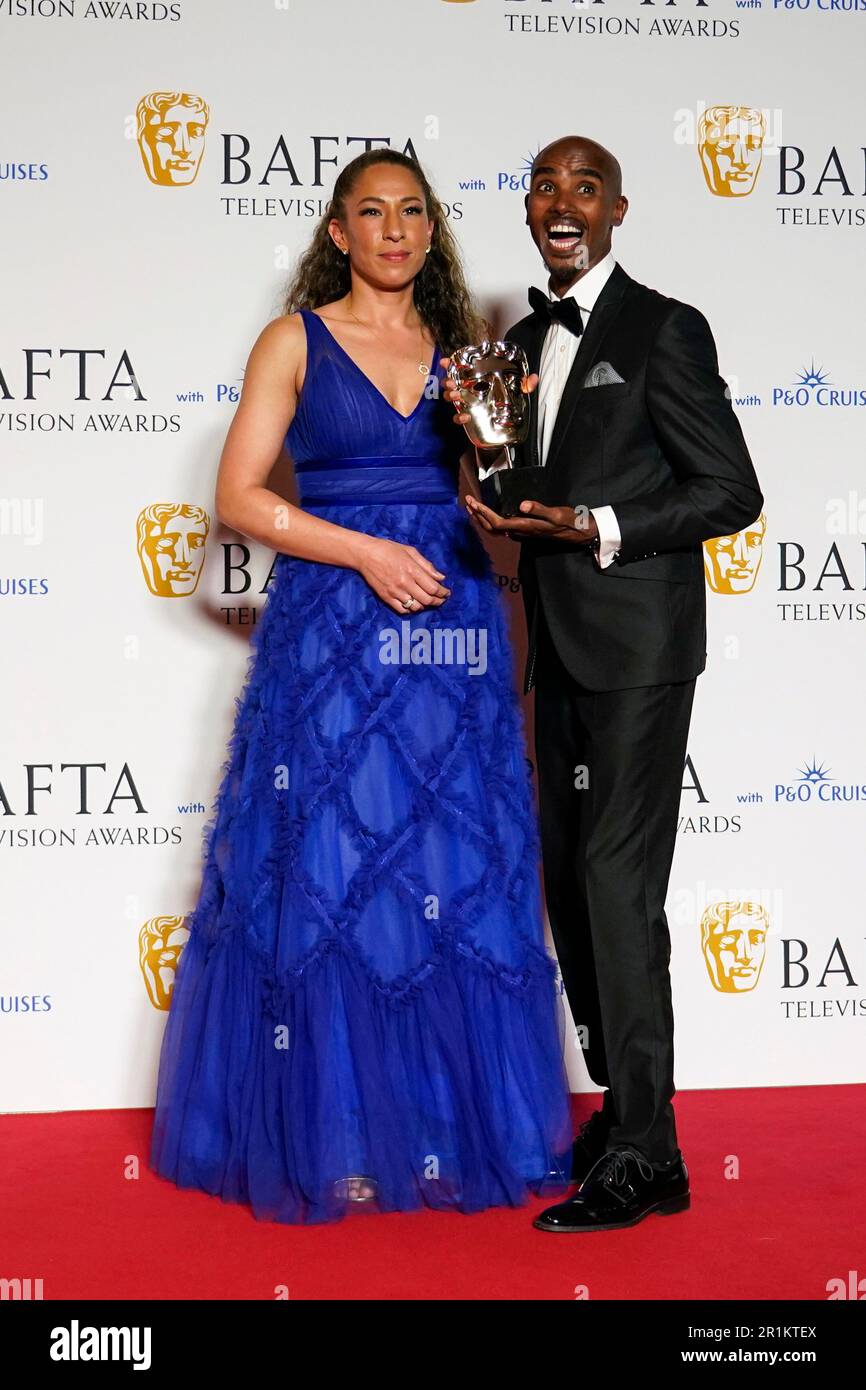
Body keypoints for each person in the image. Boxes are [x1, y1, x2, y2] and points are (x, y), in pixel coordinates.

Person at [149, 148, 572, 1225]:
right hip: (335, 623)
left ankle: (446, 1129)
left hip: (450, 616)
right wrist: (363, 552)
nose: (393, 229)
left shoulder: (464, 355)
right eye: (371, 212)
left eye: (412, 212)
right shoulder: (292, 341)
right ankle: (337, 1130)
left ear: (432, 231)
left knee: (451, 856)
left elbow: (496, 491)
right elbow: (240, 497)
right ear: (338, 233)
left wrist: (500, 468)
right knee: (333, 862)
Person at [454, 136, 763, 1233]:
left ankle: (647, 1151)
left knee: (617, 887)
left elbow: (730, 490)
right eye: (544, 184)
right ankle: (632, 1121)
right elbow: (530, 489)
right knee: (573, 890)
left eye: (585, 186)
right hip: (557, 649)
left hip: (639, 654)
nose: (562, 201)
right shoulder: (516, 345)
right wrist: (494, 491)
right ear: (526, 208)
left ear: (617, 210)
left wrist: (598, 525)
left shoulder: (663, 327)